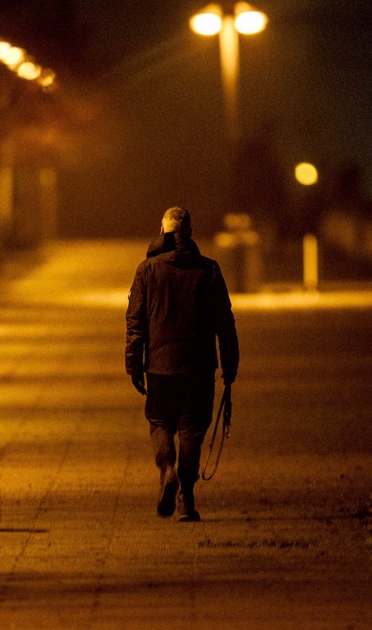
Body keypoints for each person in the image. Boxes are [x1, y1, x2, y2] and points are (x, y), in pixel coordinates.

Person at [126, 206, 239, 522]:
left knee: (160, 422)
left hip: (160, 367)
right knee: (192, 430)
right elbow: (225, 323)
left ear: (161, 233)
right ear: (189, 234)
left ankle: (167, 469)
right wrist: (230, 365)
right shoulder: (209, 270)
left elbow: (135, 323)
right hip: (198, 368)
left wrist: (133, 363)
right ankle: (186, 498)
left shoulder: (146, 271)